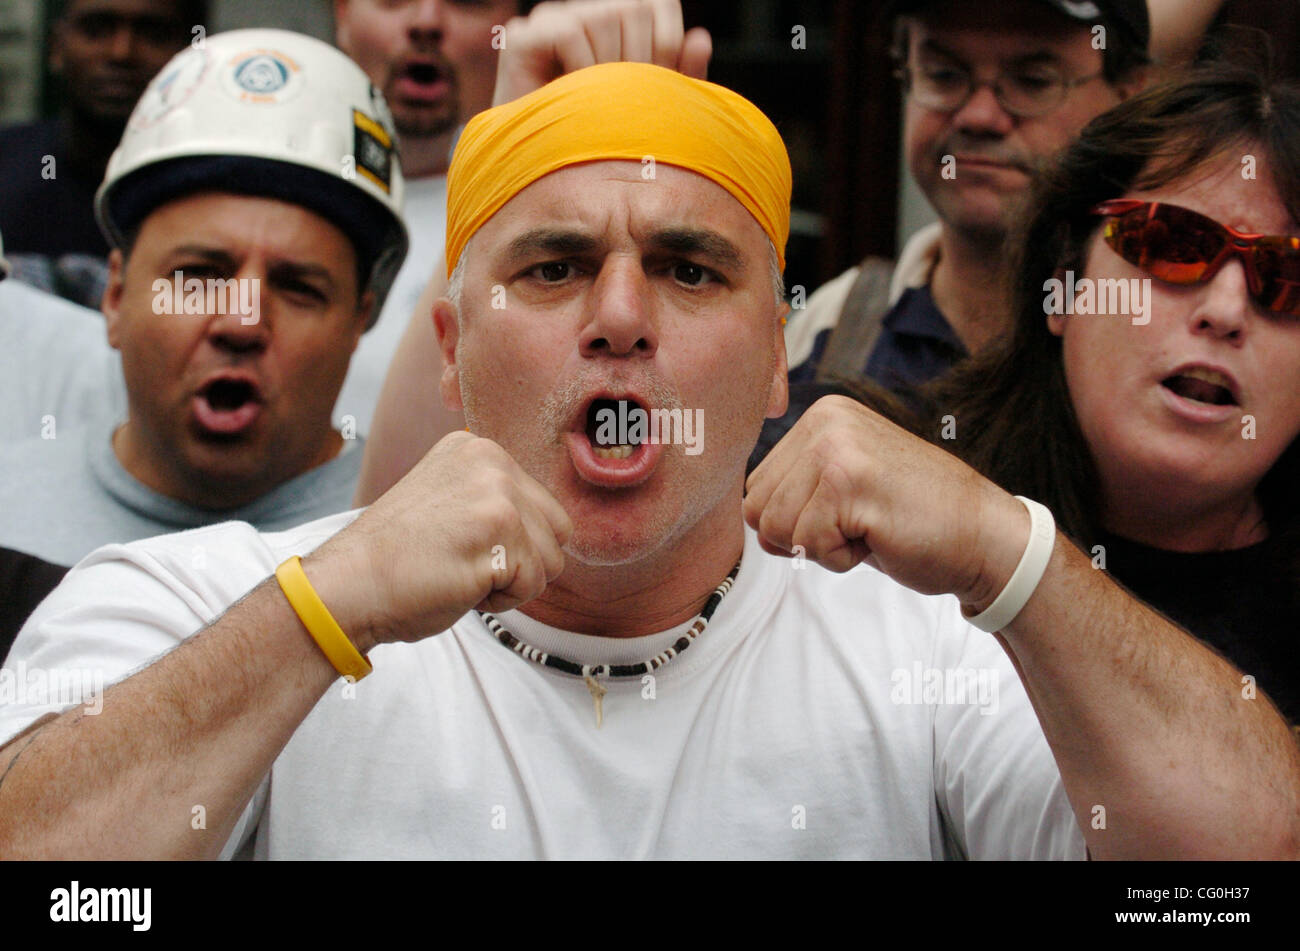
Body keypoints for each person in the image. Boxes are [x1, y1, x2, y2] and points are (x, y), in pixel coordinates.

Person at [0, 60, 1296, 861]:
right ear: (451, 352)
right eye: (554, 267)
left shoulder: (924, 649)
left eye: (689, 268)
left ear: (777, 358)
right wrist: (318, 608)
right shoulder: (195, 599)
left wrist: (1019, 560)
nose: (620, 316)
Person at [925, 60, 1300, 727]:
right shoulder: (906, 502)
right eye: (1171, 240)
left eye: (1287, 277)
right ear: (1065, 285)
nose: (1225, 308)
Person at [0, 28, 408, 570]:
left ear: (359, 324)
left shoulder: (421, 552)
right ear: (116, 296)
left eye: (298, 288)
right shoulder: (9, 513)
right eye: (198, 275)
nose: (242, 323)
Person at [783, 0, 1151, 402]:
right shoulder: (833, 330)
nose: (979, 116)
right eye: (943, 74)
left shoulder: (1171, 337)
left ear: (1129, 98)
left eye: (1032, 80)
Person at [331, 0, 532, 438]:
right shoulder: (246, 187)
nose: (426, 22)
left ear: (518, 24)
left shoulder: (547, 216)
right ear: (343, 13)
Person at [0, 0, 205, 308]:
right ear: (56, 46)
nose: (121, 53)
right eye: (96, 30)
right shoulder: (7, 165)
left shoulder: (222, 197)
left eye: (153, 34)